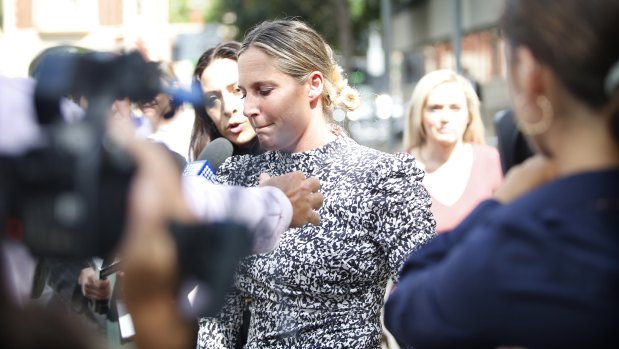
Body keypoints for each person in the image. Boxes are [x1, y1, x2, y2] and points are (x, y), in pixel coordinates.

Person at [384, 1, 619, 348]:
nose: (444, 117)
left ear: (530, 74)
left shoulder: (526, 235)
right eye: (436, 107)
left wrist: (499, 204)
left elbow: (410, 309)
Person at [197, 19, 436, 349]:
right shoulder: (237, 178)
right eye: (244, 92)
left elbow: (429, 301)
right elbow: (219, 317)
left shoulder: (380, 177)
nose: (248, 108)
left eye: (264, 91)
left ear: (312, 85)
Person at [403, 69, 503, 233]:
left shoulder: (490, 160)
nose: (445, 118)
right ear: (419, 115)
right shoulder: (399, 169)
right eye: (435, 108)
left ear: (469, 115)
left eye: (455, 108)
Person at [189, 41, 260, 160]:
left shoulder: (296, 158)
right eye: (213, 98)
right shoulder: (203, 175)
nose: (228, 108)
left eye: (237, 89)